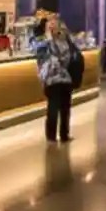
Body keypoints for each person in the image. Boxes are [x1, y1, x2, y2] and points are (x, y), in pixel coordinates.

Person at [33, 14, 80, 142]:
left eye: (54, 24)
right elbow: (41, 55)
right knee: (58, 108)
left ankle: (56, 135)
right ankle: (58, 135)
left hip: (60, 79)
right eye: (50, 24)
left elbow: (65, 57)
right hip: (55, 79)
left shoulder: (61, 41)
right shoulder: (47, 42)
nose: (52, 27)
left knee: (60, 108)